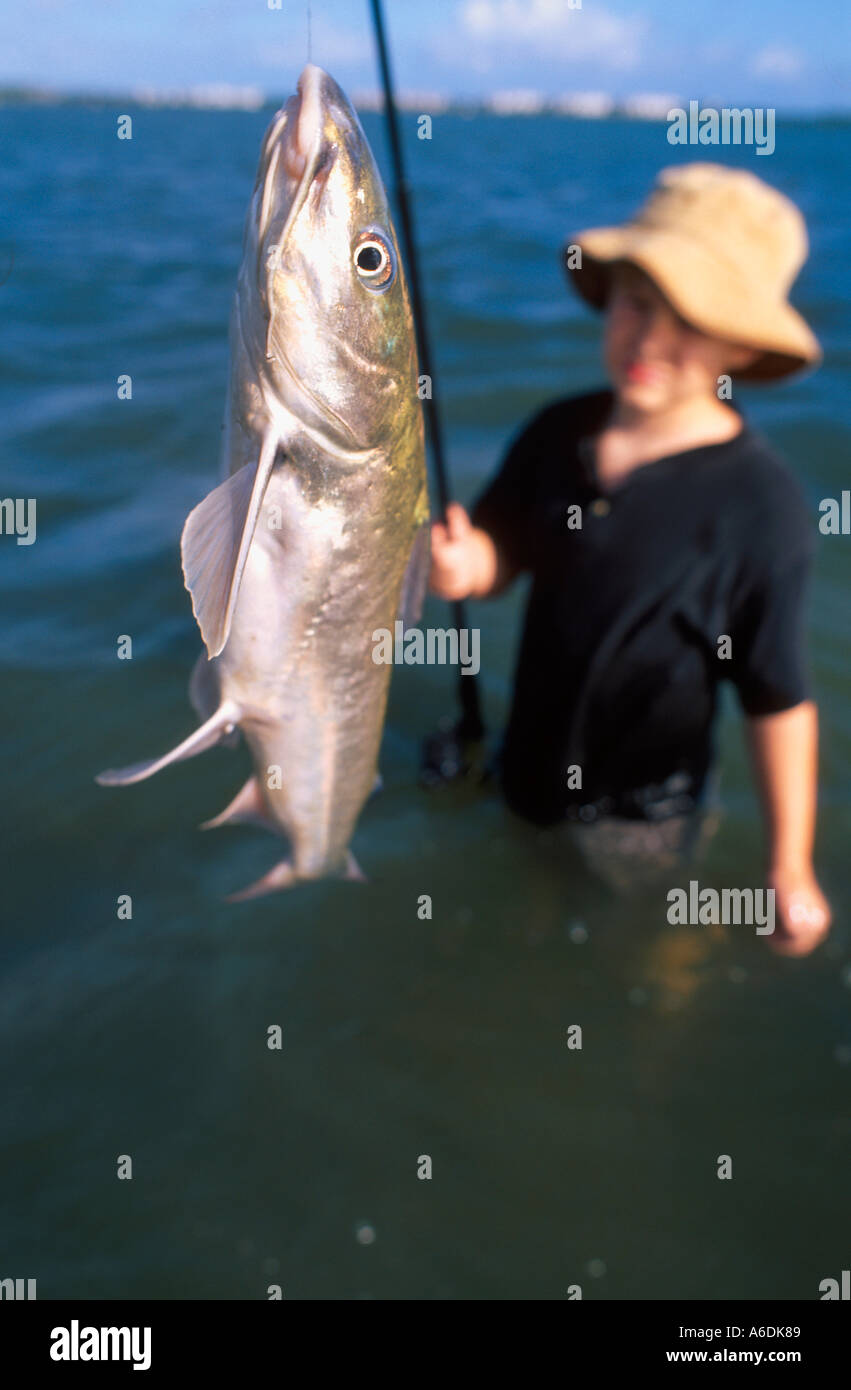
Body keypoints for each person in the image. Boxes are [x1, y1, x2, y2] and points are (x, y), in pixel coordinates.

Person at [429, 163, 831, 956]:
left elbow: (776, 697)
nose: (649, 339)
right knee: (527, 926)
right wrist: (463, 565)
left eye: (688, 319)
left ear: (742, 346)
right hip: (527, 767)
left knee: (643, 938)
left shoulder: (764, 506)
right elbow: (502, 548)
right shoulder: (557, 432)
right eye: (636, 303)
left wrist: (790, 863)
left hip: (645, 812)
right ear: (606, 297)